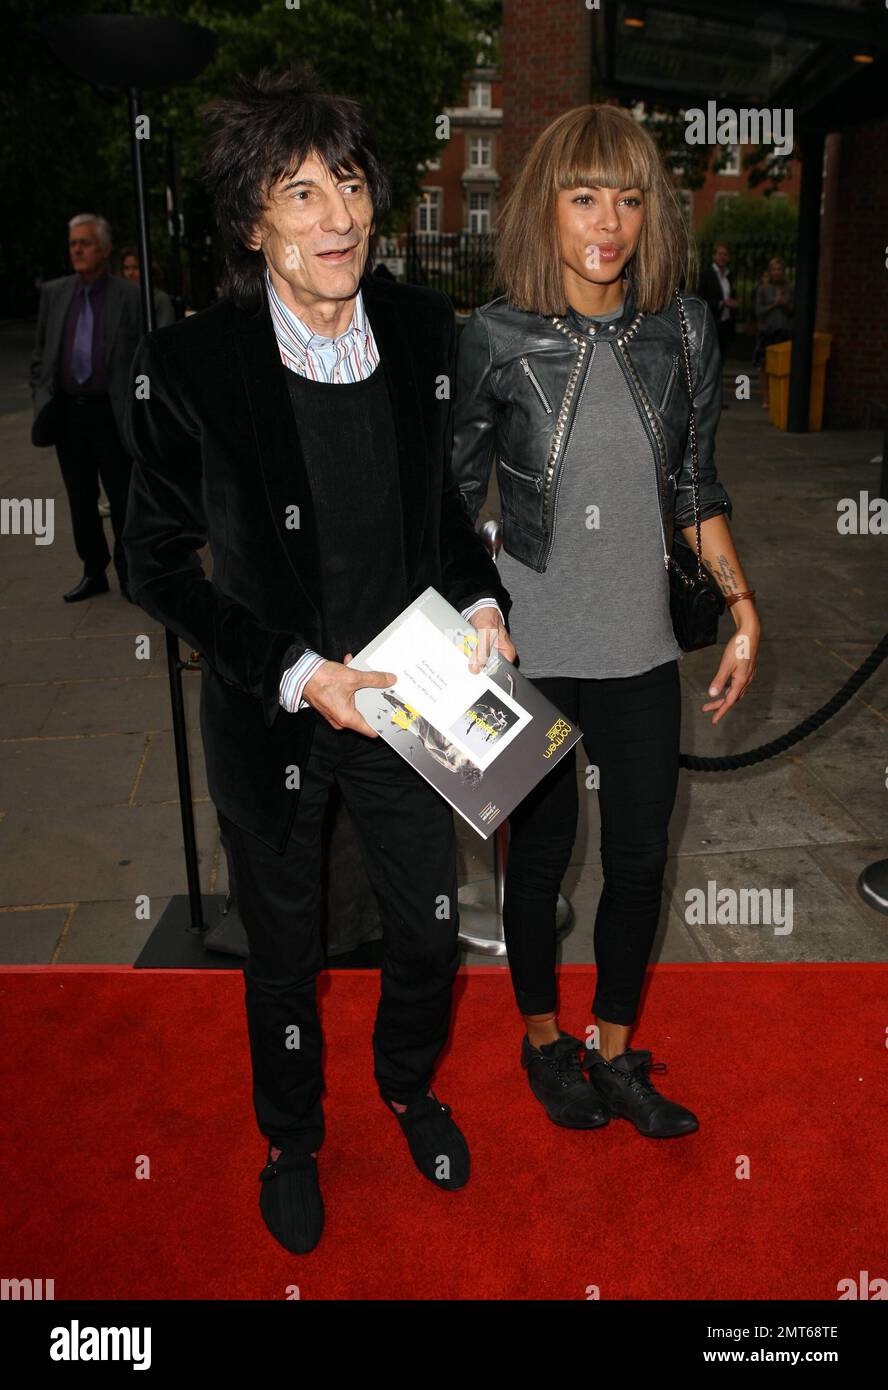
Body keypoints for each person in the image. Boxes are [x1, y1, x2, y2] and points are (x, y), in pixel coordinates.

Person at [121, 67, 513, 1256]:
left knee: (430, 929)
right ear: (255, 224)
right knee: (283, 954)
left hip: (408, 699)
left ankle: (407, 1087)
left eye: (348, 184)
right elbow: (156, 564)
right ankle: (292, 1137)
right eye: (301, 193)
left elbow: (437, 509)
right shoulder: (192, 367)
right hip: (279, 714)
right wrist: (297, 670)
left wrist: (483, 595)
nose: (338, 217)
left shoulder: (420, 332)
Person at [452, 103, 760, 1140]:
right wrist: (467, 614)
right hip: (527, 652)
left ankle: (616, 1049)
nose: (610, 220)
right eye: (586, 195)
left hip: (640, 646)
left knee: (637, 859)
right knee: (538, 868)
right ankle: (544, 1041)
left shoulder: (684, 330)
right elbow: (449, 507)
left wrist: (744, 605)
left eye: (630, 197)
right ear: (547, 206)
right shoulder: (494, 335)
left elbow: (694, 484)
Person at [30, 214, 142, 602]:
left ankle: (131, 575)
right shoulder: (56, 293)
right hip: (68, 415)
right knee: (80, 499)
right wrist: (41, 399)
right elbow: (42, 354)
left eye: (85, 243)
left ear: (104, 250)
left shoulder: (128, 296)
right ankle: (93, 571)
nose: (76, 249)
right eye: (73, 243)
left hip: (111, 414)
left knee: (124, 499)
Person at [698, 241, 737, 406]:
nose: (722, 257)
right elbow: (701, 298)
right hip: (712, 322)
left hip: (725, 322)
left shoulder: (729, 275)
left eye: (725, 254)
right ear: (714, 256)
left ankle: (717, 398)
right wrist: (721, 303)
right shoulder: (706, 274)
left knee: (721, 362)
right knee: (711, 362)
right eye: (719, 254)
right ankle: (710, 399)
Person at [755, 257, 794, 409]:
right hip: (767, 331)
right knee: (763, 365)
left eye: (779, 269)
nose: (777, 272)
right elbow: (759, 311)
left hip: (784, 331)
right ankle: (766, 399)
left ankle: (781, 398)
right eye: (774, 269)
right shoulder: (763, 289)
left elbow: (794, 310)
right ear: (770, 272)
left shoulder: (790, 289)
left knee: (784, 365)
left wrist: (783, 304)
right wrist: (774, 305)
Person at [119, 247, 176, 327]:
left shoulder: (160, 299)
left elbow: (164, 332)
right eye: (127, 268)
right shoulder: (121, 298)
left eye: (135, 268)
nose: (130, 273)